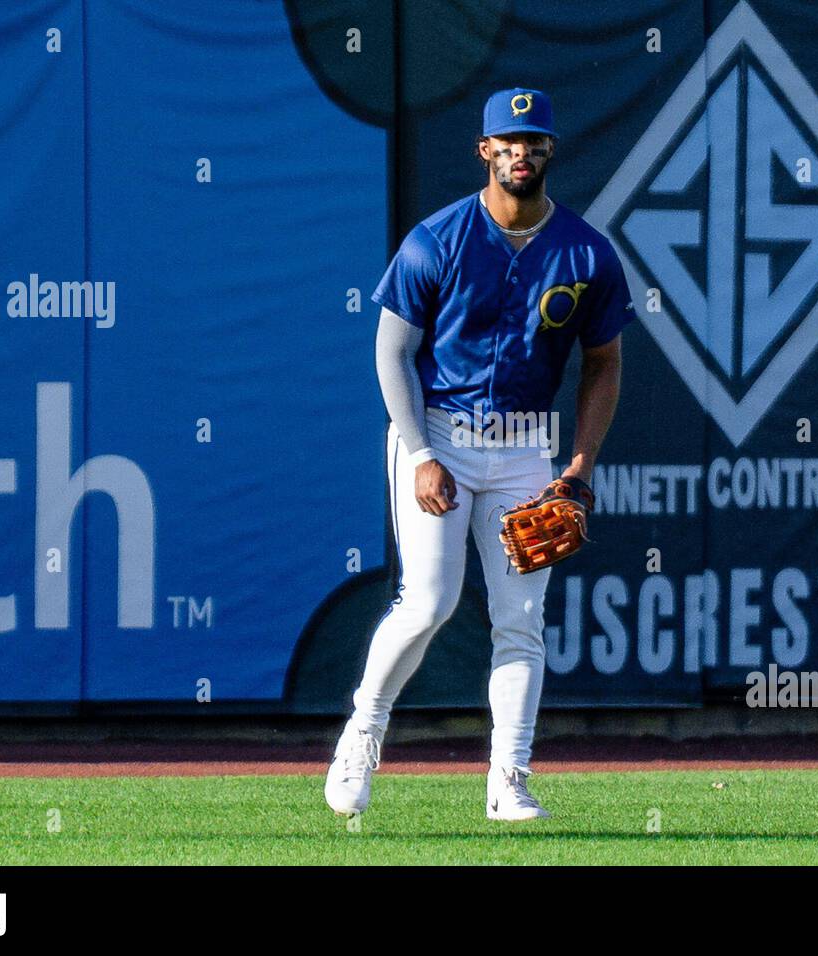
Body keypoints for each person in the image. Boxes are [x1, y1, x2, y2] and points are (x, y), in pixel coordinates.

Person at [325, 88, 633, 821]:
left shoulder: (586, 251)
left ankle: (509, 781)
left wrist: (579, 468)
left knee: (520, 620)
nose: (520, 152)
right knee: (427, 600)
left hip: (529, 448)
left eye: (533, 140)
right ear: (484, 150)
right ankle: (362, 731)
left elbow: (605, 363)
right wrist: (422, 452)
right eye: (507, 141)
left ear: (549, 150)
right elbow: (391, 352)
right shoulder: (437, 239)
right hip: (440, 435)